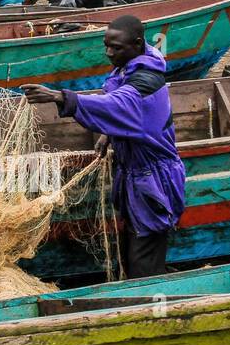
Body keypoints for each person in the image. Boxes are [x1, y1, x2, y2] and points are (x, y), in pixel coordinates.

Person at [24, 15, 186, 279]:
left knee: (143, 259)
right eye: (106, 45)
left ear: (137, 44)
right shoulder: (130, 68)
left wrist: (60, 96)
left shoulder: (145, 84)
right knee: (130, 247)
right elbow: (122, 110)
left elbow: (119, 105)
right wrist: (109, 134)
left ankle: (151, 304)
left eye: (117, 48)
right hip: (135, 177)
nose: (109, 53)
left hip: (154, 180)